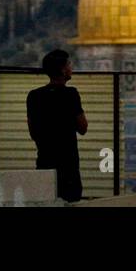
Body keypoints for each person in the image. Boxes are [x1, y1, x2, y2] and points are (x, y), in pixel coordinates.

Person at [26, 49, 88, 202]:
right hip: (68, 166)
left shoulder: (34, 96)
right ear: (62, 70)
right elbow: (83, 128)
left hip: (45, 162)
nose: (71, 67)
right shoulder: (71, 94)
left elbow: (33, 132)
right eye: (69, 64)